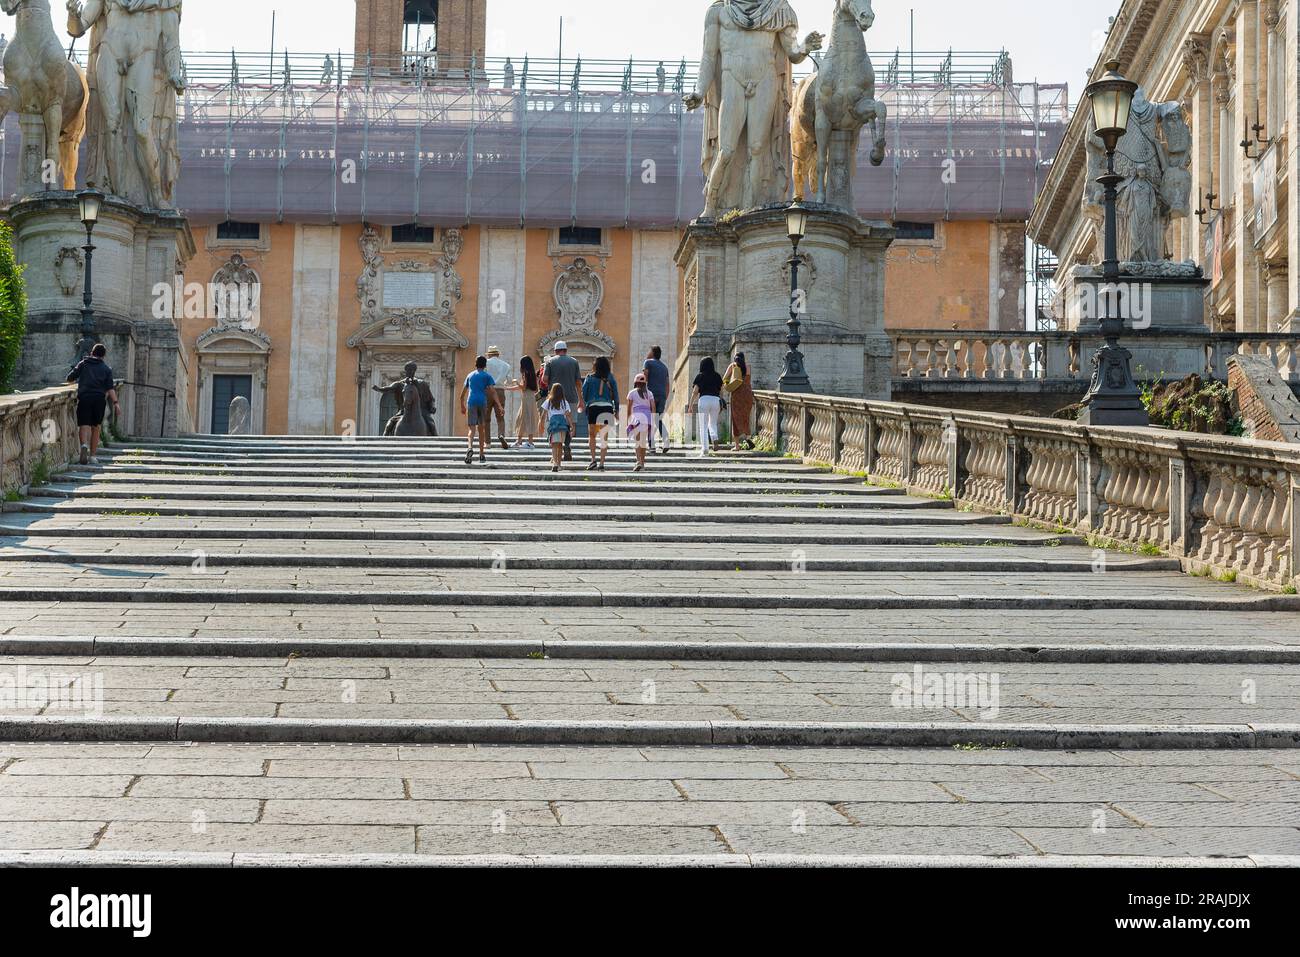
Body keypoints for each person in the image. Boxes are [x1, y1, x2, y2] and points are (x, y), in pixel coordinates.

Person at [67, 344, 121, 466]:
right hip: (99, 399)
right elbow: (110, 388)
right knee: (96, 427)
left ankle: (84, 445)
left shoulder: (83, 363)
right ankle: (92, 456)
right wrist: (116, 403)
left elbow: (70, 378)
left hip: (85, 397)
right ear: (103, 356)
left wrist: (76, 380)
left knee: (84, 424)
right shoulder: (106, 369)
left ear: (92, 352)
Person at [541, 341, 582, 461]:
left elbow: (545, 379)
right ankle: (567, 445)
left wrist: (544, 369)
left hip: (555, 398)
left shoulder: (550, 361)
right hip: (571, 397)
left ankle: (555, 454)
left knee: (554, 424)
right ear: (566, 350)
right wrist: (581, 399)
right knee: (570, 423)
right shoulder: (574, 361)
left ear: (555, 351)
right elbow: (578, 382)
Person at [581, 356, 619, 471]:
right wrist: (617, 409)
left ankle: (593, 460)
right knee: (604, 437)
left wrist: (588, 403)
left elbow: (584, 395)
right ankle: (602, 462)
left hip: (593, 408)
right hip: (607, 408)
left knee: (592, 436)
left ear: (595, 366)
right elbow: (616, 395)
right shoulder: (610, 377)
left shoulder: (589, 378)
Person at [459, 355, 495, 465]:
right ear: (485, 365)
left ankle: (470, 447)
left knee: (471, 429)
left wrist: (462, 405)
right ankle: (481, 454)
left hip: (471, 402)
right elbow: (492, 391)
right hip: (482, 402)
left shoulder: (470, 375)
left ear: (476, 364)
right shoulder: (487, 376)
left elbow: (463, 393)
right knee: (481, 429)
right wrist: (498, 404)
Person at [689, 357, 724, 457]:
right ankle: (714, 437)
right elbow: (722, 390)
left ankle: (704, 450)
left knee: (703, 426)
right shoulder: (717, 376)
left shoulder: (700, 376)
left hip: (704, 400)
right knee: (712, 423)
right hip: (715, 400)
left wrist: (690, 405)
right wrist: (720, 400)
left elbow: (695, 392)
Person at [723, 351, 756, 451]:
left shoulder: (732, 366)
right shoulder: (748, 367)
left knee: (736, 419)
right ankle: (747, 439)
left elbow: (725, 378)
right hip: (747, 395)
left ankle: (737, 446)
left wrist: (727, 385)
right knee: (746, 418)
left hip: (737, 395)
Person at [507, 354, 540, 449]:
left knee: (523, 418)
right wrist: (508, 388)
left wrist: (516, 382)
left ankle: (526, 441)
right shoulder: (532, 373)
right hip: (530, 397)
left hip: (526, 398)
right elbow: (531, 388)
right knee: (527, 418)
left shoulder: (525, 373)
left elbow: (523, 387)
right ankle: (524, 441)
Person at [642, 345, 671, 453]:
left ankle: (652, 446)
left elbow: (644, 378)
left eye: (649, 350)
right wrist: (665, 396)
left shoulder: (647, 362)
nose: (647, 352)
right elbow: (667, 384)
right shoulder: (664, 367)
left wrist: (643, 395)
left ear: (652, 352)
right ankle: (666, 440)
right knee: (657, 419)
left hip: (651, 395)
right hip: (662, 395)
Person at [540, 383, 574, 473]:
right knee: (560, 445)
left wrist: (541, 424)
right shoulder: (564, 402)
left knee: (554, 445)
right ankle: (559, 465)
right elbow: (568, 415)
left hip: (553, 426)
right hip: (562, 426)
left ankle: (555, 463)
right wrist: (571, 426)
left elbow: (543, 414)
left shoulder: (548, 401)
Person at [625, 372, 655, 473]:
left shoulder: (632, 393)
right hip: (647, 417)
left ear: (635, 383)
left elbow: (629, 408)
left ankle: (638, 461)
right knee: (643, 442)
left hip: (636, 417)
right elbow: (653, 407)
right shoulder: (649, 393)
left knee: (638, 441)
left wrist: (628, 420)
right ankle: (642, 464)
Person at [485, 346, 512, 450]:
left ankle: (487, 443)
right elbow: (509, 381)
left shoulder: (486, 363)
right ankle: (501, 435)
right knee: (500, 416)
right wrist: (503, 383)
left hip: (487, 390)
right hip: (500, 391)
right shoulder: (506, 365)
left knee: (486, 418)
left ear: (489, 354)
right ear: (498, 354)